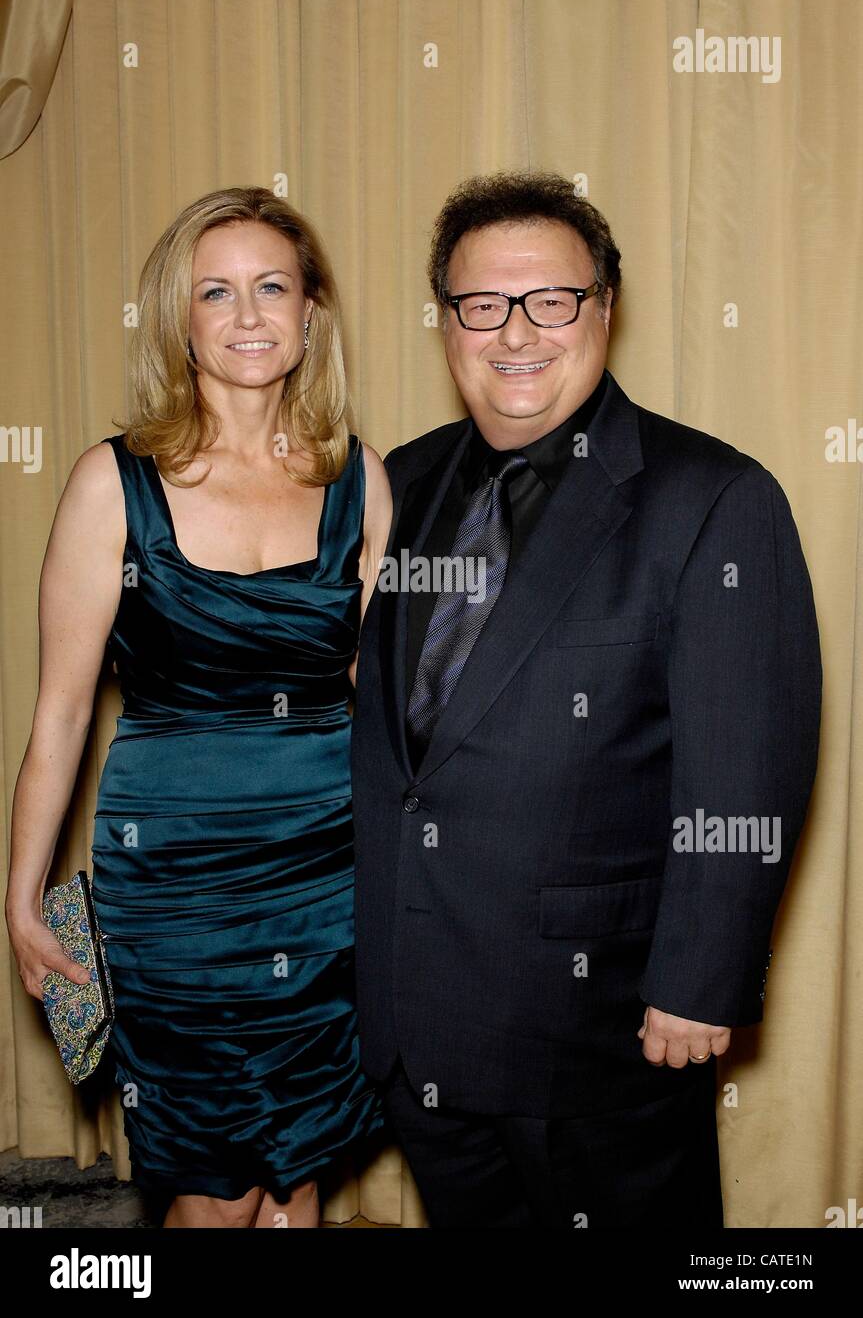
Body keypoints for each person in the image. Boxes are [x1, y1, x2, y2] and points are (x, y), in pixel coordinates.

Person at [350, 170, 822, 1228]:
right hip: (415, 1017)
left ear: (604, 308)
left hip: (596, 1028)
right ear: (446, 322)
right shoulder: (398, 484)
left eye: (549, 300)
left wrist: (700, 977)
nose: (513, 332)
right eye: (481, 304)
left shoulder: (709, 498)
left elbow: (746, 758)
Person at [6, 186, 392, 1228]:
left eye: (272, 286)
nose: (249, 314)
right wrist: (22, 889)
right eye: (215, 292)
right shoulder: (112, 482)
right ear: (180, 320)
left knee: (299, 1174)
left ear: (312, 313)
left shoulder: (360, 479)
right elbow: (59, 716)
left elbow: (383, 707)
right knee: (214, 1188)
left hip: (324, 877)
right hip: (171, 888)